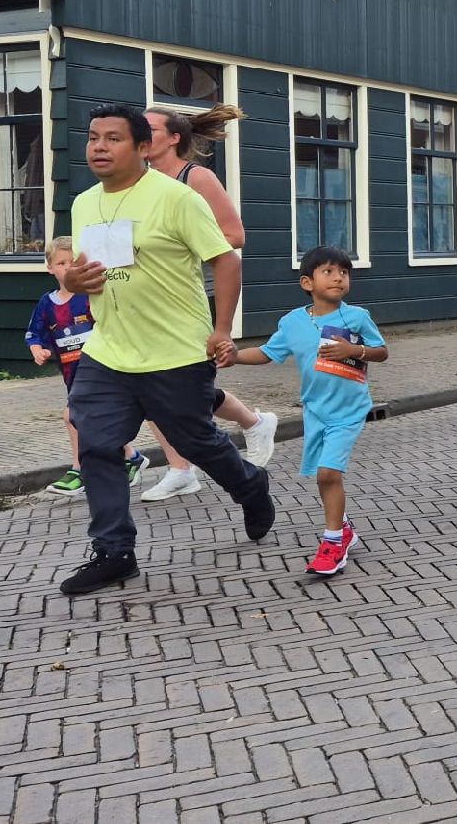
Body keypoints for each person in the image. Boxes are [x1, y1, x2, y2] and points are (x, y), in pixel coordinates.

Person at [57, 103, 275, 595]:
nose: (99, 147)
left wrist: (223, 329)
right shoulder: (85, 203)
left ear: (141, 147)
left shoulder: (175, 198)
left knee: (196, 440)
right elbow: (82, 271)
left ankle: (249, 485)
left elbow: (226, 259)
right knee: (95, 443)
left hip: (175, 352)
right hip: (109, 350)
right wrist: (72, 278)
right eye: (93, 138)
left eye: (113, 138)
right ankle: (114, 551)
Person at [141, 105, 279, 502]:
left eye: (149, 129)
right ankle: (190, 462)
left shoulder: (195, 177)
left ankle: (247, 427)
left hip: (190, 296)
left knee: (174, 391)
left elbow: (235, 236)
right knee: (151, 389)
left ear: (174, 138)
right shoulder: (139, 181)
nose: (142, 135)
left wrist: (179, 241)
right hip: (150, 299)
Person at [227, 246, 387, 576]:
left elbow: (381, 351)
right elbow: (268, 352)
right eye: (328, 272)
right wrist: (235, 356)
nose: (338, 277)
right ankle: (342, 528)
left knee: (329, 473)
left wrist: (354, 349)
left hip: (350, 409)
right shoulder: (293, 322)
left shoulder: (357, 316)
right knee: (321, 475)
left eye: (344, 272)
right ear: (306, 282)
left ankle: (333, 543)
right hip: (315, 410)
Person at [27, 238, 148, 496]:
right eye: (61, 263)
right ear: (50, 268)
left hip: (101, 369)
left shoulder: (91, 297)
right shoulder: (46, 304)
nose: (68, 267)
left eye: (73, 261)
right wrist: (38, 350)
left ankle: (79, 470)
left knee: (73, 415)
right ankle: (131, 456)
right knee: (99, 421)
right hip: (71, 374)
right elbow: (35, 333)